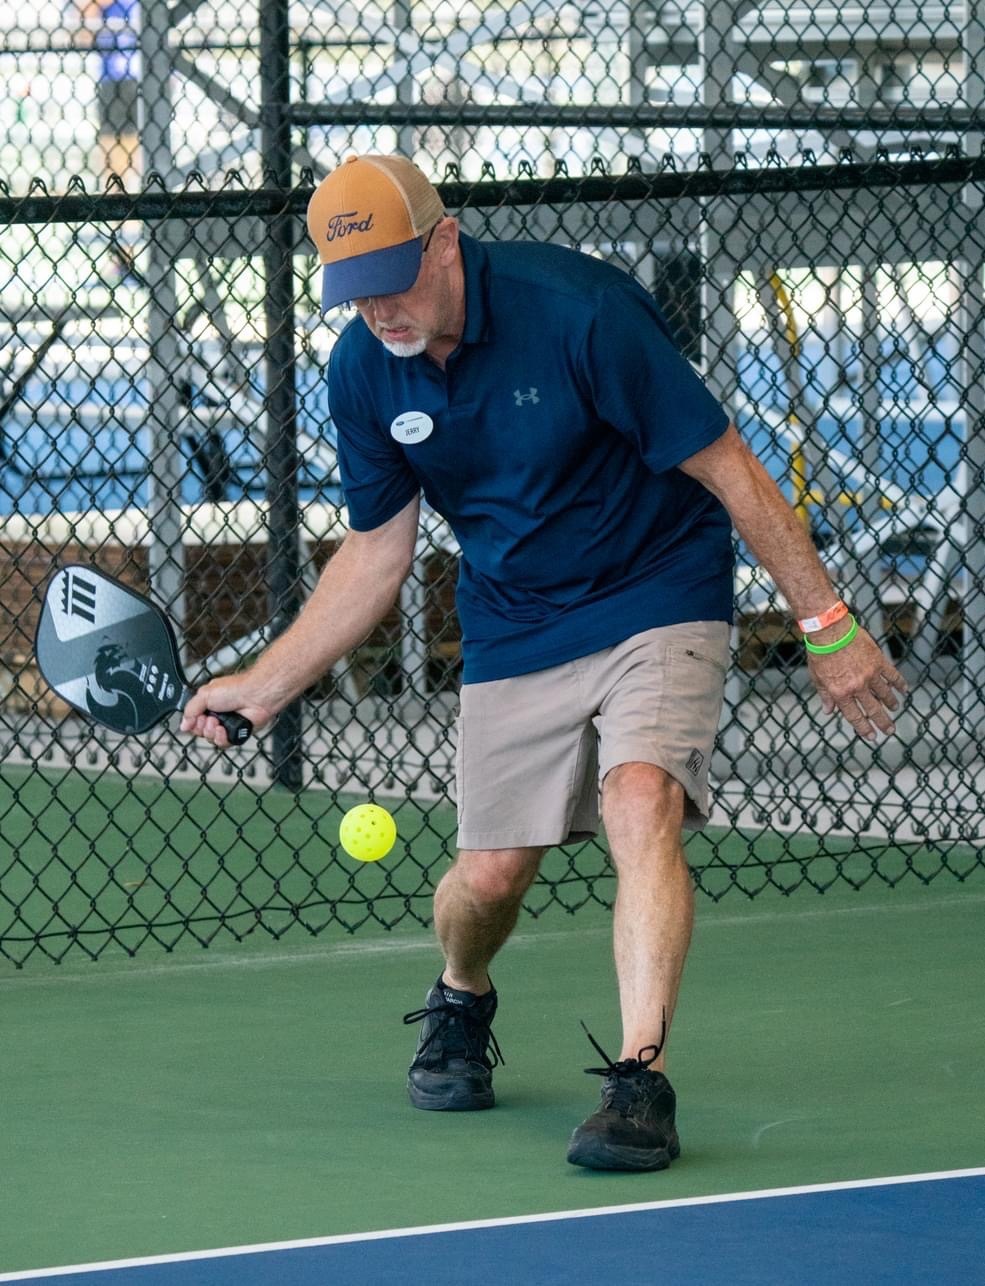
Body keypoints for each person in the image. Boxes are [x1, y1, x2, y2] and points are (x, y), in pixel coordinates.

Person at [180, 154, 907, 1172]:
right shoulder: (362, 369)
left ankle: (640, 1080)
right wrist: (264, 684)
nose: (378, 309)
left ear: (445, 240)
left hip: (655, 586)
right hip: (516, 619)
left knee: (639, 798)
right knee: (488, 877)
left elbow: (731, 466)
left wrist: (825, 624)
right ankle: (461, 993)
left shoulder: (581, 313)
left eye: (392, 278)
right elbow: (378, 550)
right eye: (355, 291)